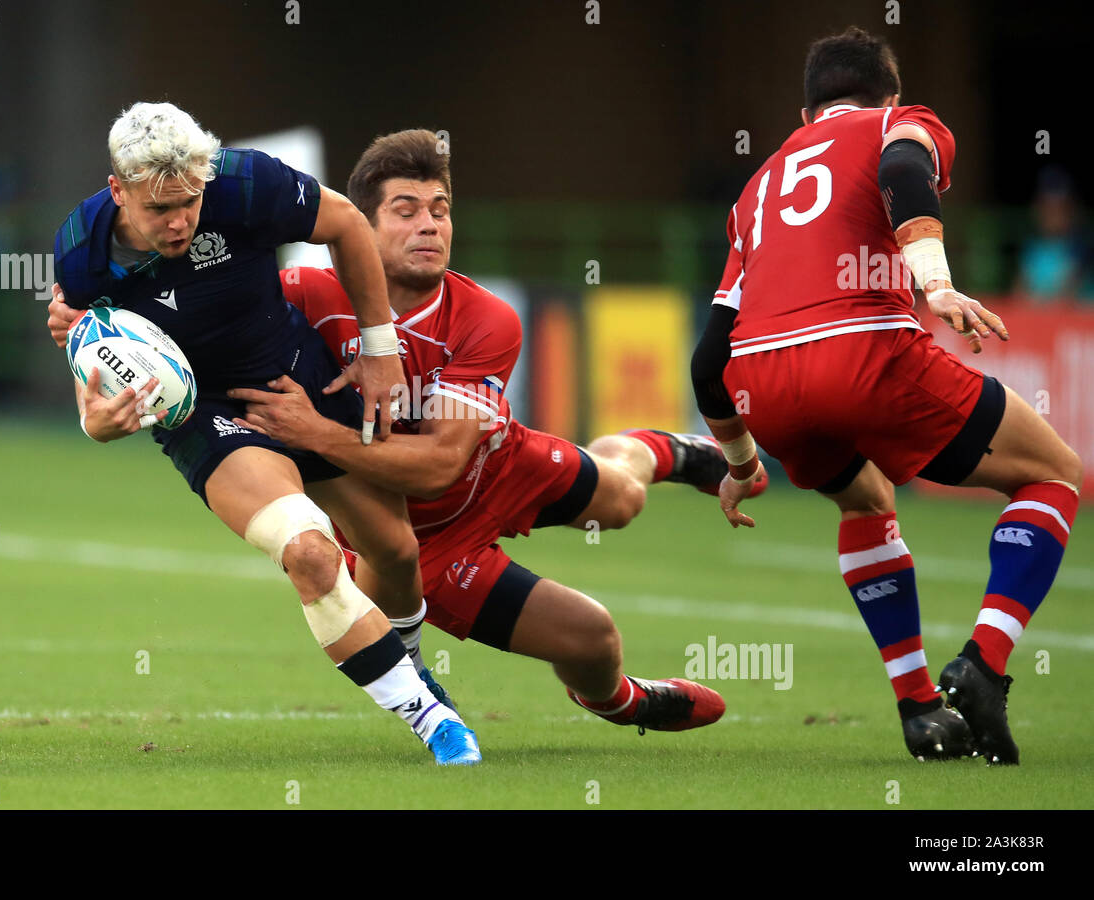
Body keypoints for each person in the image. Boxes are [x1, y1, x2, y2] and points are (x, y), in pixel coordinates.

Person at [224, 129, 748, 735]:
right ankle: (621, 702)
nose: (430, 226)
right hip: (430, 548)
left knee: (624, 499)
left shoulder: (485, 317)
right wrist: (90, 314)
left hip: (500, 465)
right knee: (593, 637)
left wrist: (315, 432)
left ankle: (669, 451)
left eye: (440, 211)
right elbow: (202, 315)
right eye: (406, 211)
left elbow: (442, 465)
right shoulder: (303, 297)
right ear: (359, 228)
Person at [690, 28, 1083, 763]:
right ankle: (986, 665)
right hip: (862, 350)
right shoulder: (901, 122)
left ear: (805, 114)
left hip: (764, 384)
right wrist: (934, 283)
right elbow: (904, 167)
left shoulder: (755, 190)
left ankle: (919, 710)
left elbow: (709, 358)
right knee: (1052, 474)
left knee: (867, 501)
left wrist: (741, 465)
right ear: (889, 94)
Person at [48, 102, 479, 765]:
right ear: (118, 191)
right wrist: (95, 421)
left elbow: (346, 224)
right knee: (310, 553)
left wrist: (381, 347)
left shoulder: (243, 183)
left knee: (393, 551)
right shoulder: (81, 252)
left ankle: (410, 668)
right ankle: (429, 717)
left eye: (190, 201)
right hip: (202, 415)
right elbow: (92, 355)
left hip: (294, 375)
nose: (179, 220)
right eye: (159, 208)